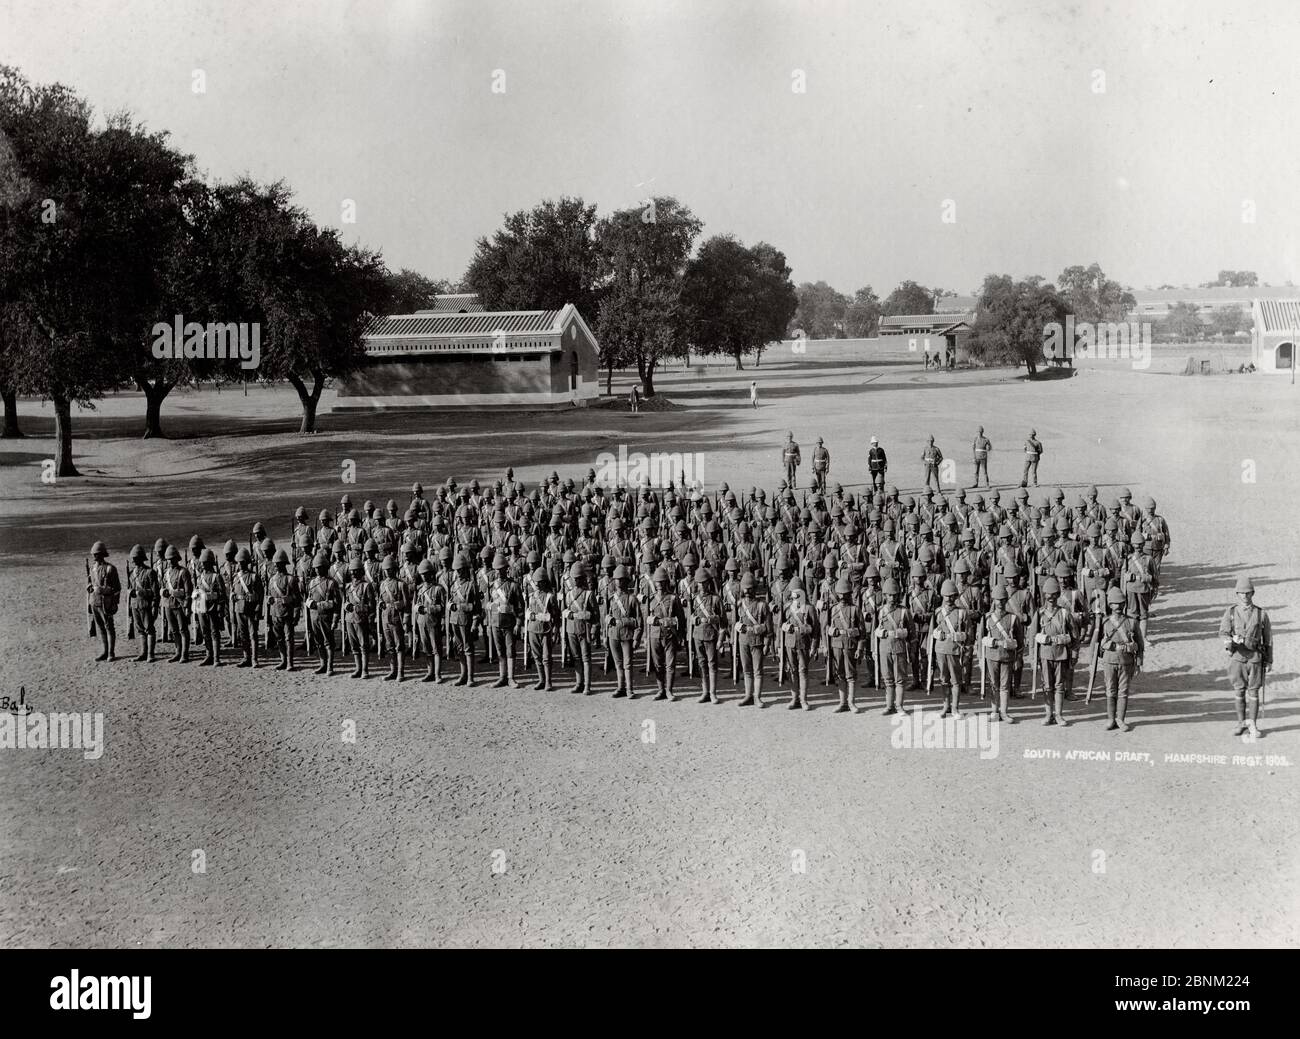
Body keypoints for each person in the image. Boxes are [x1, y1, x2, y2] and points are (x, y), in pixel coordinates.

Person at [1218, 576, 1272, 738]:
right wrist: (1229, 641)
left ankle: (1253, 724)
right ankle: (1241, 722)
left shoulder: (1261, 613)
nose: (1244, 596)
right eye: (1241, 593)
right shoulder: (1231, 612)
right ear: (1237, 594)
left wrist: (1269, 660)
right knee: (1239, 691)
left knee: (1253, 692)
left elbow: (1268, 639)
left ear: (1253, 593)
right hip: (1237, 657)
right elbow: (1223, 632)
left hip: (1255, 658)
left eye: (1247, 593)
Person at [1098, 587, 1144, 731]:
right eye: (1115, 603)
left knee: (1123, 691)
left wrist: (1139, 662)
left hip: (1126, 661)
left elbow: (1140, 644)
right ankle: (1111, 719)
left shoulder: (1132, 622)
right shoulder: (1104, 622)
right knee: (1110, 691)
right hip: (1109, 660)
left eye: (1121, 603)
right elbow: (1097, 643)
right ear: (1110, 605)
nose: (1118, 606)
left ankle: (1121, 719)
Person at [86, 541, 122, 663]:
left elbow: (117, 588)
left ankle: (111, 652)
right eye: (93, 554)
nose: (94, 557)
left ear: (102, 554)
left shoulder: (110, 569)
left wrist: (104, 591)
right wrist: (90, 587)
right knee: (101, 628)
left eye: (96, 554)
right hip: (95, 602)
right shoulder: (92, 568)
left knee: (109, 627)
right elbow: (92, 582)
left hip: (106, 603)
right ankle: (105, 651)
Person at [125, 545, 159, 664]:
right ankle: (143, 653)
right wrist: (129, 596)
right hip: (135, 604)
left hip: (146, 605)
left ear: (141, 558)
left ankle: (151, 654)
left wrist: (154, 606)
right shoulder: (131, 573)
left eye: (135, 558)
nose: (133, 560)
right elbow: (129, 588)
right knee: (140, 629)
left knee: (149, 629)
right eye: (132, 558)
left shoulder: (150, 572)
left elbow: (154, 593)